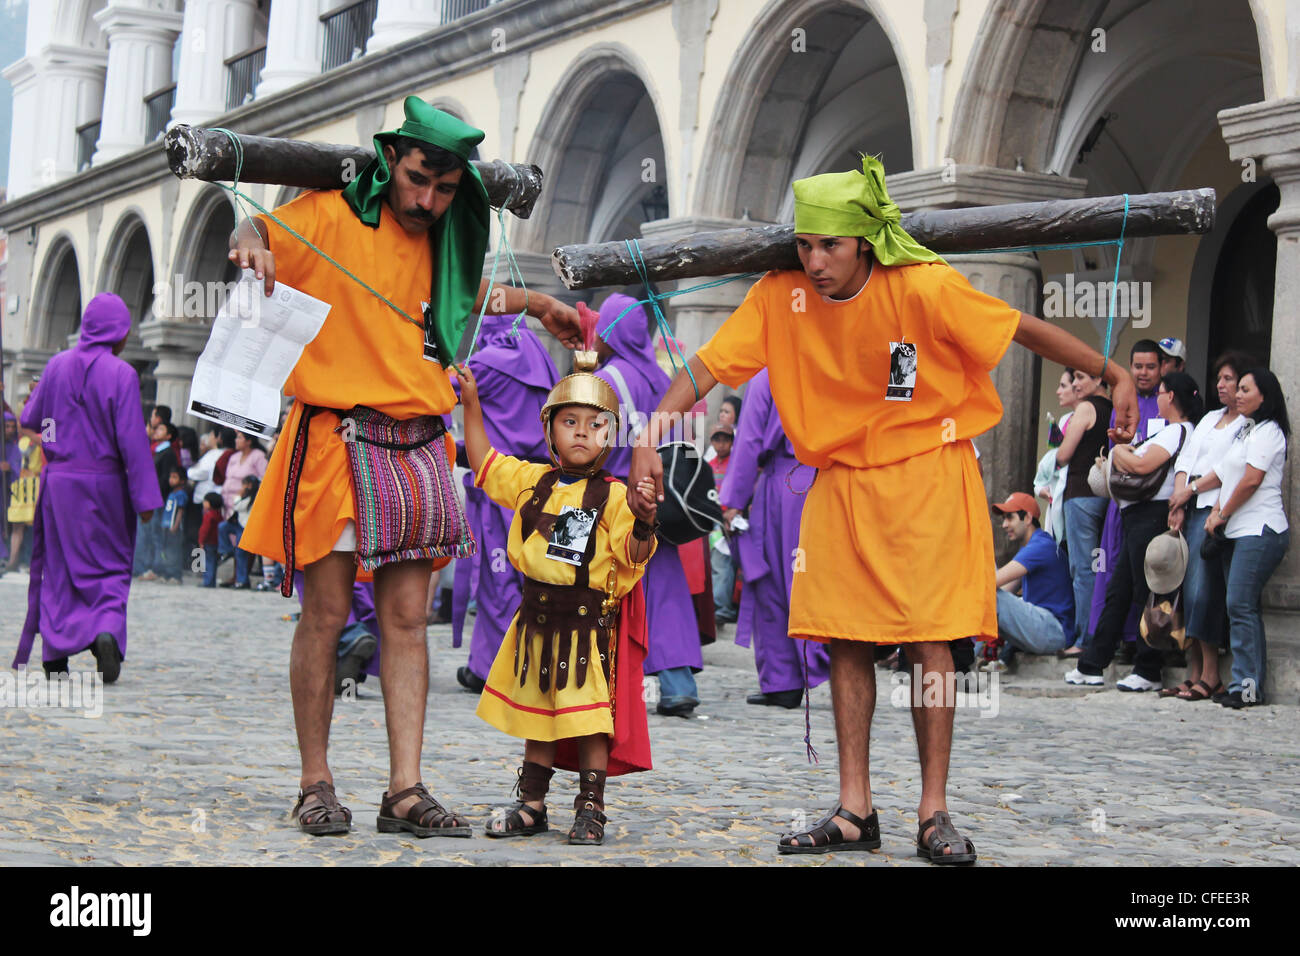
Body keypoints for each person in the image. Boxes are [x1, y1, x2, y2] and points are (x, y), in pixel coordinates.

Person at [627, 154, 1138, 861]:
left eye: (829, 245)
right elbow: (708, 365)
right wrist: (651, 434)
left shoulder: (923, 285)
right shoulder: (781, 295)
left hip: (930, 474)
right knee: (846, 637)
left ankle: (934, 812)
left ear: (864, 239)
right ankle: (854, 808)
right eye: (803, 245)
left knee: (933, 640)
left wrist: (1111, 373)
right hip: (839, 480)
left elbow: (1017, 325)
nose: (814, 261)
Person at [231, 96, 581, 836]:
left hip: (420, 442)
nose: (428, 199)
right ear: (392, 159)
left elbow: (456, 301)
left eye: (446, 188)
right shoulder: (329, 214)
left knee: (408, 620)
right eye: (420, 179)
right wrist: (248, 242)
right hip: (334, 439)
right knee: (325, 617)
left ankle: (404, 789)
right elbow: (257, 225)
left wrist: (538, 302)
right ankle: (316, 782)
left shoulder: (449, 236)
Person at [459, 359, 656, 845]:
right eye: (570, 422)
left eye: (595, 425)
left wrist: (647, 520)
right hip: (535, 622)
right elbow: (483, 462)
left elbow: (634, 554)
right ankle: (531, 804)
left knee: (590, 719)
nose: (582, 434)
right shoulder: (531, 480)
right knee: (536, 712)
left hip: (587, 628)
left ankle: (591, 808)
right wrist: (471, 404)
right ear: (550, 429)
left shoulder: (615, 497)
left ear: (611, 435)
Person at [13, 294, 163, 680]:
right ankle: (105, 631)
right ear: (119, 332)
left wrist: (55, 440)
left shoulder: (56, 366)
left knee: (60, 567)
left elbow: (32, 417)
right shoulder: (122, 374)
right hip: (106, 486)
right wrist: (145, 498)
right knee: (109, 567)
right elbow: (131, 441)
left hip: (60, 484)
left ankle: (55, 653)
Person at [594, 292, 704, 717]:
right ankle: (678, 683)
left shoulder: (606, 382)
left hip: (616, 502)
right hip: (661, 498)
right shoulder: (663, 379)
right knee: (666, 589)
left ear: (610, 331)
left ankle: (611, 685)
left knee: (611, 590)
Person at [1067, 372, 1201, 690]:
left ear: (1171, 397)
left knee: (1148, 592)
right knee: (1120, 591)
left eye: (1162, 391)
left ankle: (1149, 669)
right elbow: (1136, 460)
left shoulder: (1177, 431)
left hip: (1151, 514)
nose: (1158, 396)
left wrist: (1118, 453)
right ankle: (1092, 663)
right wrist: (1125, 452)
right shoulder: (1169, 432)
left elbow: (1141, 466)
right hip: (1138, 516)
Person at [450, 312, 559, 693]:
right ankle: (488, 664)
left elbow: (441, 391)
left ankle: (502, 667)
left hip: (501, 486)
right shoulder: (541, 358)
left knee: (498, 579)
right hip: (541, 486)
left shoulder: (490, 361)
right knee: (526, 578)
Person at [720, 368, 830, 706]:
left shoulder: (771, 372)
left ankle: (783, 678)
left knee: (773, 582)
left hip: (785, 484)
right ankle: (833, 661)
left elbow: (750, 437)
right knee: (821, 580)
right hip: (831, 481)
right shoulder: (835, 356)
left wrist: (733, 500)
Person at [1197, 369, 1290, 708]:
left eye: (1245, 389)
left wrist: (1221, 513)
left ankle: (1246, 689)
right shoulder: (1246, 431)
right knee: (1241, 607)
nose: (1237, 393)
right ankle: (1244, 685)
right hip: (1236, 531)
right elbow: (1228, 476)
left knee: (1239, 605)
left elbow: (1251, 481)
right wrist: (1216, 512)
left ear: (1264, 396)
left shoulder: (1269, 432)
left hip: (1260, 529)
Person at [1165, 351, 1251, 699]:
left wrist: (1191, 491)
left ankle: (1212, 673)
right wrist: (1178, 498)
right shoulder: (1210, 418)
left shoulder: (1247, 425)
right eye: (1220, 379)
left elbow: (1230, 470)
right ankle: (1195, 671)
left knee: (1205, 592)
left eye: (1230, 379)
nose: (1222, 385)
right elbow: (1187, 457)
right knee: (1188, 592)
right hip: (1191, 504)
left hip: (1216, 509)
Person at [1085, 342, 1164, 663]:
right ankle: (1108, 638)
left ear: (1162, 369)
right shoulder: (1122, 401)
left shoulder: (1166, 404)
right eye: (1138, 366)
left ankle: (1140, 641)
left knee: (1144, 574)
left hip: (1153, 503)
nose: (1143, 373)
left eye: (1150, 367)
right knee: (1112, 568)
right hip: (1121, 502)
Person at [1056, 367, 1113, 657]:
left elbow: (1063, 454)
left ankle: (1084, 639)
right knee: (1103, 567)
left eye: (1080, 377)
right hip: (1108, 496)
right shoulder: (1114, 409)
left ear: (1099, 380)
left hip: (1081, 495)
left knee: (1084, 570)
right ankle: (1103, 636)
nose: (1076, 384)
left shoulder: (1086, 409)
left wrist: (1057, 452)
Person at [988, 493, 1075, 665]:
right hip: (1044, 628)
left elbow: (990, 585)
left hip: (1054, 631)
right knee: (986, 597)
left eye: (1009, 518)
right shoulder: (1032, 548)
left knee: (986, 593)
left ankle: (962, 660)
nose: (1004, 525)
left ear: (1027, 518)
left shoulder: (1041, 546)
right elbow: (1005, 591)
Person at [1033, 369, 1079, 543]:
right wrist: (1042, 487)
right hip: (1056, 497)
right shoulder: (1065, 419)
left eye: (1063, 386)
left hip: (1074, 497)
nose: (1058, 391)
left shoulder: (1089, 416)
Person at [219, 475, 259, 589]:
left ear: (250, 486)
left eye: (244, 485)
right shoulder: (245, 496)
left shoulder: (253, 497)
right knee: (223, 527)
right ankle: (226, 550)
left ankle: (242, 580)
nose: (242, 487)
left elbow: (238, 506)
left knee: (240, 553)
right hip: (238, 525)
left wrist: (239, 497)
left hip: (247, 528)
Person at [220, 432, 267, 516]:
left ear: (249, 441)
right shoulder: (234, 457)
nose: (236, 440)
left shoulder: (258, 456)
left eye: (239, 438)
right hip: (226, 503)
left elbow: (264, 479)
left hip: (244, 505)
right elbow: (227, 478)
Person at [159, 465, 189, 585]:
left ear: (182, 481)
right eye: (171, 477)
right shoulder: (172, 493)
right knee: (166, 551)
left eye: (175, 477)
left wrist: (175, 526)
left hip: (174, 528)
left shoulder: (181, 494)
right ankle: (167, 574)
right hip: (166, 526)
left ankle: (176, 575)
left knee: (174, 552)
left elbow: (180, 511)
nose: (171, 480)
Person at [198, 491, 223, 588]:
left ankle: (207, 582)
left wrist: (201, 541)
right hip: (216, 542)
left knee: (208, 563)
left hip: (208, 542)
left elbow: (205, 529)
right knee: (213, 563)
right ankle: (211, 582)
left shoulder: (209, 515)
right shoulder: (219, 515)